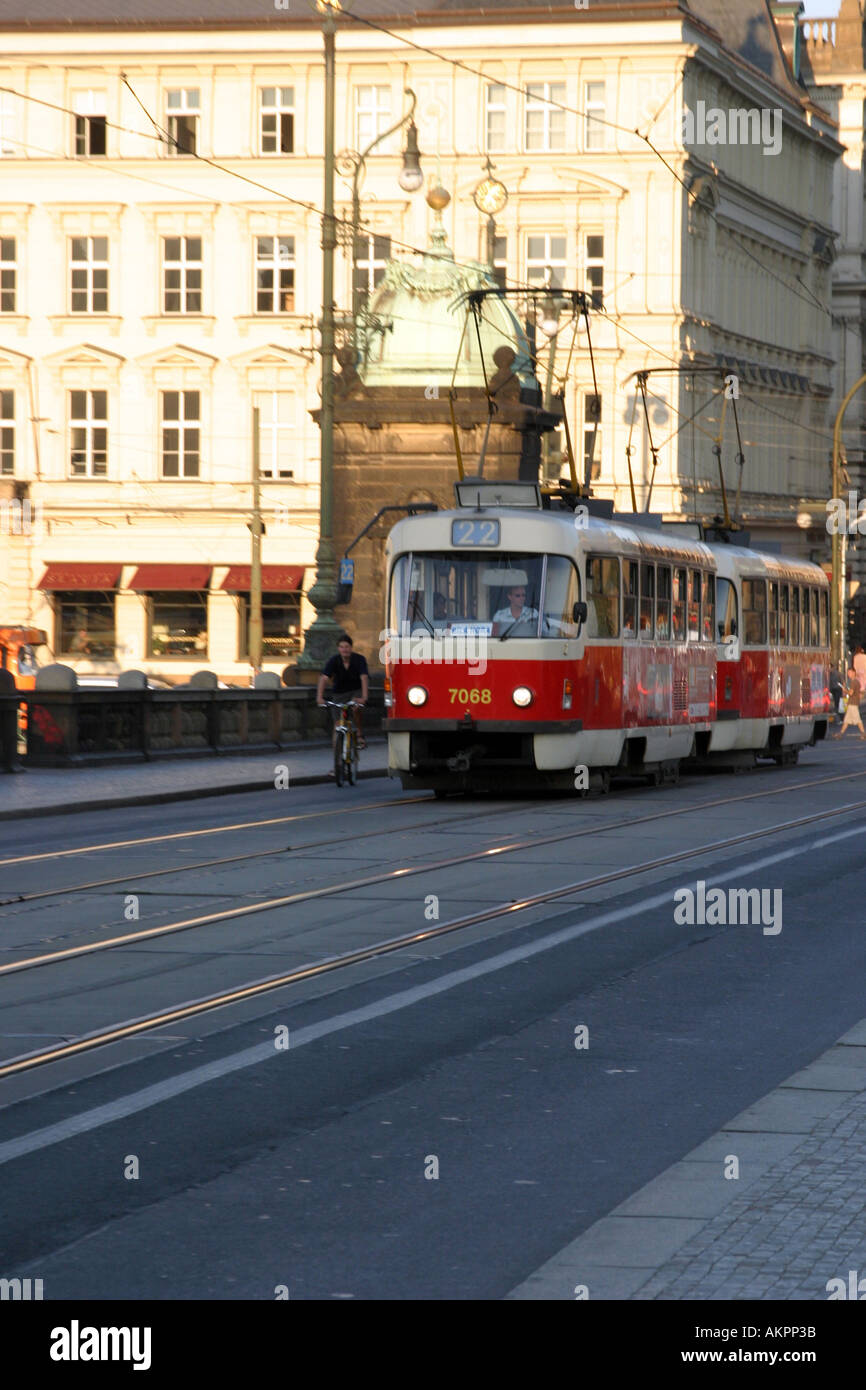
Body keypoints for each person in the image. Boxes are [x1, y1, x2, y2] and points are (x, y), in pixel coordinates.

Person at [316, 633, 369, 758]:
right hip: (339, 693)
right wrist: (319, 697)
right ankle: (337, 763)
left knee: (356, 708)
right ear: (338, 649)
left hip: (356, 690)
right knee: (338, 726)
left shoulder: (359, 660)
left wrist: (364, 697)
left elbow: (364, 677)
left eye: (347, 647)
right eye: (341, 647)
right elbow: (324, 678)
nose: (344, 649)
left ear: (351, 648)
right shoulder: (334, 661)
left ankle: (359, 734)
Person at [833, 668, 866, 740]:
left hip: (853, 703)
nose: (849, 674)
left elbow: (851, 693)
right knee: (847, 720)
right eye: (848, 673)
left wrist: (845, 690)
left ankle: (863, 734)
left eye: (850, 673)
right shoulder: (856, 681)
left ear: (854, 673)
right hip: (852, 703)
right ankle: (840, 734)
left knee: (857, 720)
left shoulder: (853, 682)